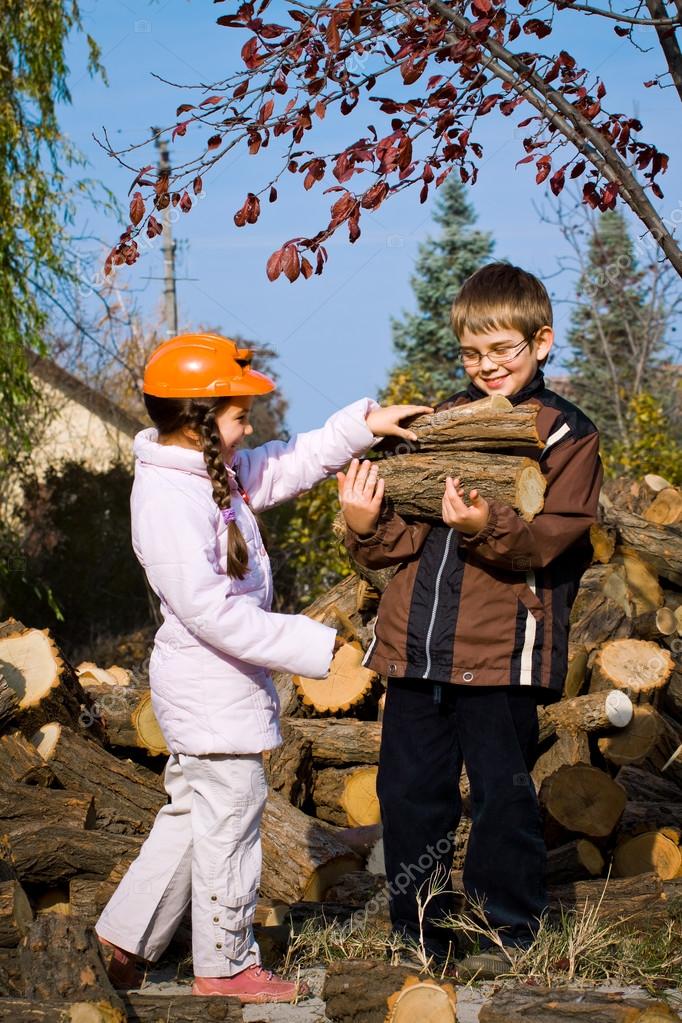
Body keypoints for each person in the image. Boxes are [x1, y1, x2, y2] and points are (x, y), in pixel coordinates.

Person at [95, 332, 429, 1003]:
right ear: (198, 419)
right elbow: (213, 612)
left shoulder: (210, 472)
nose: (251, 423)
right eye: (240, 412)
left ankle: (124, 938)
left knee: (194, 811)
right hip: (207, 687)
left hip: (217, 686)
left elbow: (290, 461)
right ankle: (224, 963)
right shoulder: (168, 500)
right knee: (232, 816)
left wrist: (360, 426)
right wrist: (310, 646)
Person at [339, 263, 603, 978]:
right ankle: (416, 927)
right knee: (409, 793)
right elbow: (399, 540)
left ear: (541, 342)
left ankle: (507, 929)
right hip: (416, 648)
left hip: (502, 654)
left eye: (502, 351)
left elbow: (556, 534)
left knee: (500, 797)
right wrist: (364, 522)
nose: (485, 367)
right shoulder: (436, 425)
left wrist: (492, 525)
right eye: (471, 353)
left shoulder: (564, 435)